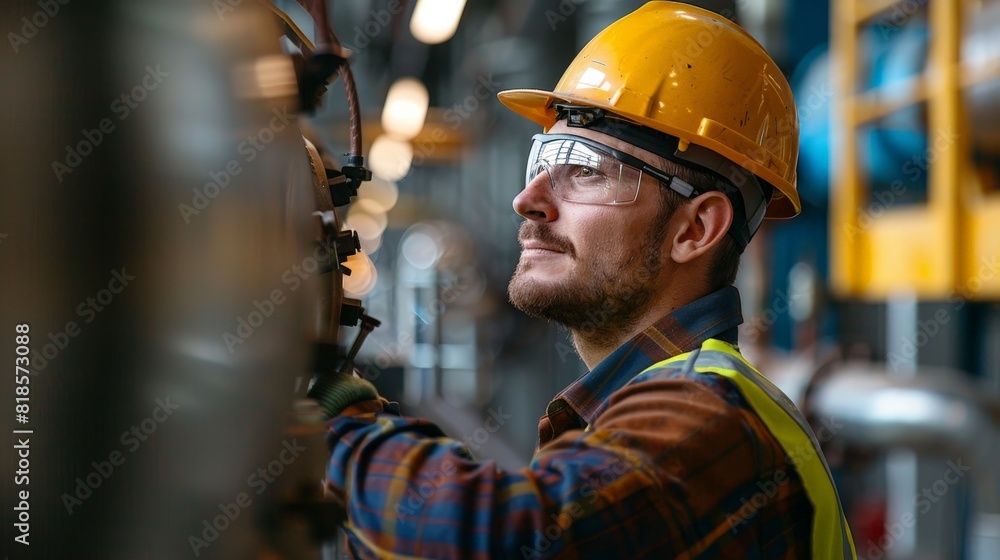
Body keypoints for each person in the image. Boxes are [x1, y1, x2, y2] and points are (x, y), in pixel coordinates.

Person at [307, 2, 857, 558]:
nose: (528, 201)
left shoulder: (712, 416)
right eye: (542, 161)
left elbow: (506, 540)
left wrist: (318, 404)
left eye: (586, 171)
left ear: (694, 228)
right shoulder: (628, 414)